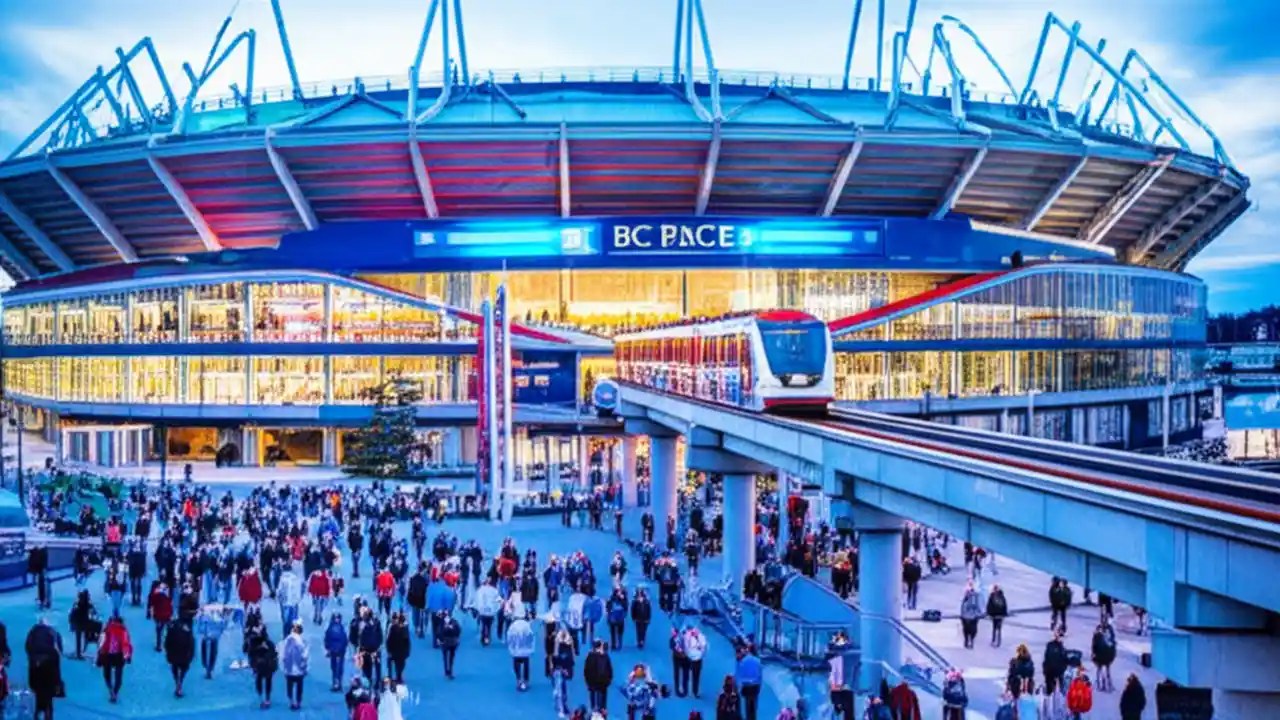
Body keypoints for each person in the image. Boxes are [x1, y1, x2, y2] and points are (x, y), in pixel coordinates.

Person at [25, 617, 63, 720]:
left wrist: (32, 658)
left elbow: (27, 646)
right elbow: (59, 649)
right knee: (49, 693)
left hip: (36, 662)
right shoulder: (52, 631)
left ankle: (38, 712)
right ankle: (48, 713)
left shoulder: (33, 631)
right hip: (50, 661)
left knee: (38, 691)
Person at [97, 615, 133, 704]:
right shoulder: (123, 631)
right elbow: (126, 644)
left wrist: (99, 656)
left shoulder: (106, 630)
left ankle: (110, 689)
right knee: (118, 678)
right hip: (119, 656)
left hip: (106, 656)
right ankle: (115, 692)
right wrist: (127, 656)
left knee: (107, 675)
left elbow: (101, 644)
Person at [247, 624, 279, 709]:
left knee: (265, 680)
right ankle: (262, 698)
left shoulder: (268, 643)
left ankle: (266, 698)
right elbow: (250, 652)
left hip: (266, 665)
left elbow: (274, 653)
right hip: (260, 665)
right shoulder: (253, 641)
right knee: (260, 680)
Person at [280, 621, 309, 710]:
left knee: (290, 685)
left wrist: (283, 666)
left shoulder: (287, 640)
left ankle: (291, 701)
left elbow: (282, 655)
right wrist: (305, 667)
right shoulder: (302, 641)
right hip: (299, 668)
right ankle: (298, 701)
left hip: (289, 669)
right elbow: (305, 655)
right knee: (299, 686)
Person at [164, 617, 196, 698]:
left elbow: (167, 642)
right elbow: (191, 643)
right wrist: (191, 654)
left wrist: (168, 652)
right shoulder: (187, 630)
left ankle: (178, 682)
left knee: (175, 668)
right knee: (183, 669)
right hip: (184, 654)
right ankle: (180, 682)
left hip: (174, 653)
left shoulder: (171, 629)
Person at [194, 604, 227, 679]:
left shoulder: (206, 615)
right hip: (213, 637)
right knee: (212, 653)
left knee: (207, 653)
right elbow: (222, 627)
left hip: (208, 637)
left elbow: (200, 627)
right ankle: (209, 669)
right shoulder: (217, 616)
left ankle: (208, 669)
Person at [507, 609, 536, 691]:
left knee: (516, 663)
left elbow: (509, 637)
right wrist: (531, 649)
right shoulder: (527, 625)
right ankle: (526, 680)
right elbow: (531, 637)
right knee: (526, 664)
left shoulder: (512, 626)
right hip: (525, 650)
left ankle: (519, 679)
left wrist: (511, 649)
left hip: (516, 650)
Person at [551, 627, 576, 718]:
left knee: (563, 689)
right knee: (560, 690)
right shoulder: (558, 640)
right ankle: (561, 709)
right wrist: (560, 668)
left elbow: (572, 653)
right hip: (559, 669)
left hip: (566, 667)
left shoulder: (569, 640)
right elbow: (556, 655)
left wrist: (571, 666)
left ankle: (562, 706)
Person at [583, 639, 613, 713]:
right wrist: (608, 680)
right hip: (601, 683)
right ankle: (600, 711)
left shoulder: (590, 656)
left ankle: (594, 710)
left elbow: (586, 670)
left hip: (595, 682)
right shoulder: (604, 656)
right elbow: (609, 669)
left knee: (595, 699)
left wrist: (587, 681)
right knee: (601, 702)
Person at [68, 590, 97, 659]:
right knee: (87, 635)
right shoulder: (88, 603)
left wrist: (71, 623)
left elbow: (72, 613)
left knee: (78, 638)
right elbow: (94, 612)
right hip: (85, 622)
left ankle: (78, 653)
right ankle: (83, 650)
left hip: (77, 623)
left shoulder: (76, 603)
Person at [736, 646, 763, 720]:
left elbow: (740, 675)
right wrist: (759, 686)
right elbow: (760, 675)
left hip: (746, 686)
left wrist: (739, 687)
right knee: (754, 705)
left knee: (747, 705)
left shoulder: (743, 661)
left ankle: (748, 718)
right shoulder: (758, 661)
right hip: (755, 686)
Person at [324, 612, 349, 691]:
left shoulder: (330, 627)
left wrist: (328, 648)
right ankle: (338, 683)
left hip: (334, 650)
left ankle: (336, 683)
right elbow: (345, 639)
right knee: (338, 667)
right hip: (340, 650)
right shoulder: (341, 628)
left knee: (335, 667)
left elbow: (327, 639)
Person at [473, 578, 503, 645]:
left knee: (483, 625)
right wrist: (498, 607)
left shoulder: (480, 590)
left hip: (483, 612)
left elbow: (477, 600)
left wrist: (477, 608)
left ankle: (483, 639)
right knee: (489, 626)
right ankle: (488, 638)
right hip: (491, 612)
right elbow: (499, 600)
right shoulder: (494, 590)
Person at [1090, 621, 1117, 692]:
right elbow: (1094, 645)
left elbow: (1094, 645)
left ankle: (1103, 684)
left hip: (1105, 655)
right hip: (1103, 655)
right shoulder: (1101, 634)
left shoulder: (1100, 633)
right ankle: (1104, 684)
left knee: (1103, 669)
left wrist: (1093, 653)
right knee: (1103, 669)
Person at [385, 612, 411, 683]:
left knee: (401, 665)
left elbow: (407, 641)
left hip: (401, 651)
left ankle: (398, 676)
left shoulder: (405, 629)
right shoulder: (393, 628)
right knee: (392, 662)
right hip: (395, 650)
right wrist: (389, 650)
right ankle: (391, 676)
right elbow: (389, 640)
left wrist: (407, 651)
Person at [683, 624, 708, 698]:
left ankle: (695, 691)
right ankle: (687, 690)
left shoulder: (701, 637)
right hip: (691, 659)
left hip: (698, 660)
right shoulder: (687, 637)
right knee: (689, 674)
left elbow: (704, 647)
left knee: (696, 676)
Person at [148, 582, 173, 652]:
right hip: (167, 615)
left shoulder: (155, 595)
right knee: (167, 630)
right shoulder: (167, 595)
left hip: (158, 615)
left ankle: (159, 646)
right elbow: (170, 605)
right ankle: (168, 644)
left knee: (159, 630)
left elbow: (152, 603)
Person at [278, 565, 303, 633]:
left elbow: (279, 591)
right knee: (294, 621)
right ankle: (294, 635)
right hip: (294, 602)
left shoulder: (282, 578)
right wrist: (298, 599)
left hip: (285, 603)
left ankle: (286, 636)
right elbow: (300, 590)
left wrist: (280, 599)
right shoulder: (296, 578)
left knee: (286, 622)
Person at [1043, 631, 1069, 695]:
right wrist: (1045, 669)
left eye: (1061, 637)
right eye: (1059, 636)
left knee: (1061, 690)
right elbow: (1047, 658)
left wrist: (1064, 668)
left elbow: (1065, 660)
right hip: (1050, 671)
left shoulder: (1063, 648)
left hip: (1059, 671)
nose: (1060, 638)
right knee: (1050, 691)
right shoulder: (1050, 645)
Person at [438, 610, 461, 679]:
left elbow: (439, 632)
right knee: (451, 656)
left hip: (445, 641)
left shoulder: (441, 622)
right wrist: (457, 638)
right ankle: (450, 670)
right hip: (453, 641)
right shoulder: (454, 621)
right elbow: (458, 630)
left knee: (445, 656)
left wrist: (440, 639)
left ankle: (446, 671)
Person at [959, 583, 982, 650]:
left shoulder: (967, 597)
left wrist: (962, 615)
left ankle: (967, 640)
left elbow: (963, 607)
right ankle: (970, 640)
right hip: (972, 617)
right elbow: (978, 607)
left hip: (966, 617)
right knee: (972, 630)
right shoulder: (976, 597)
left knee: (966, 630)